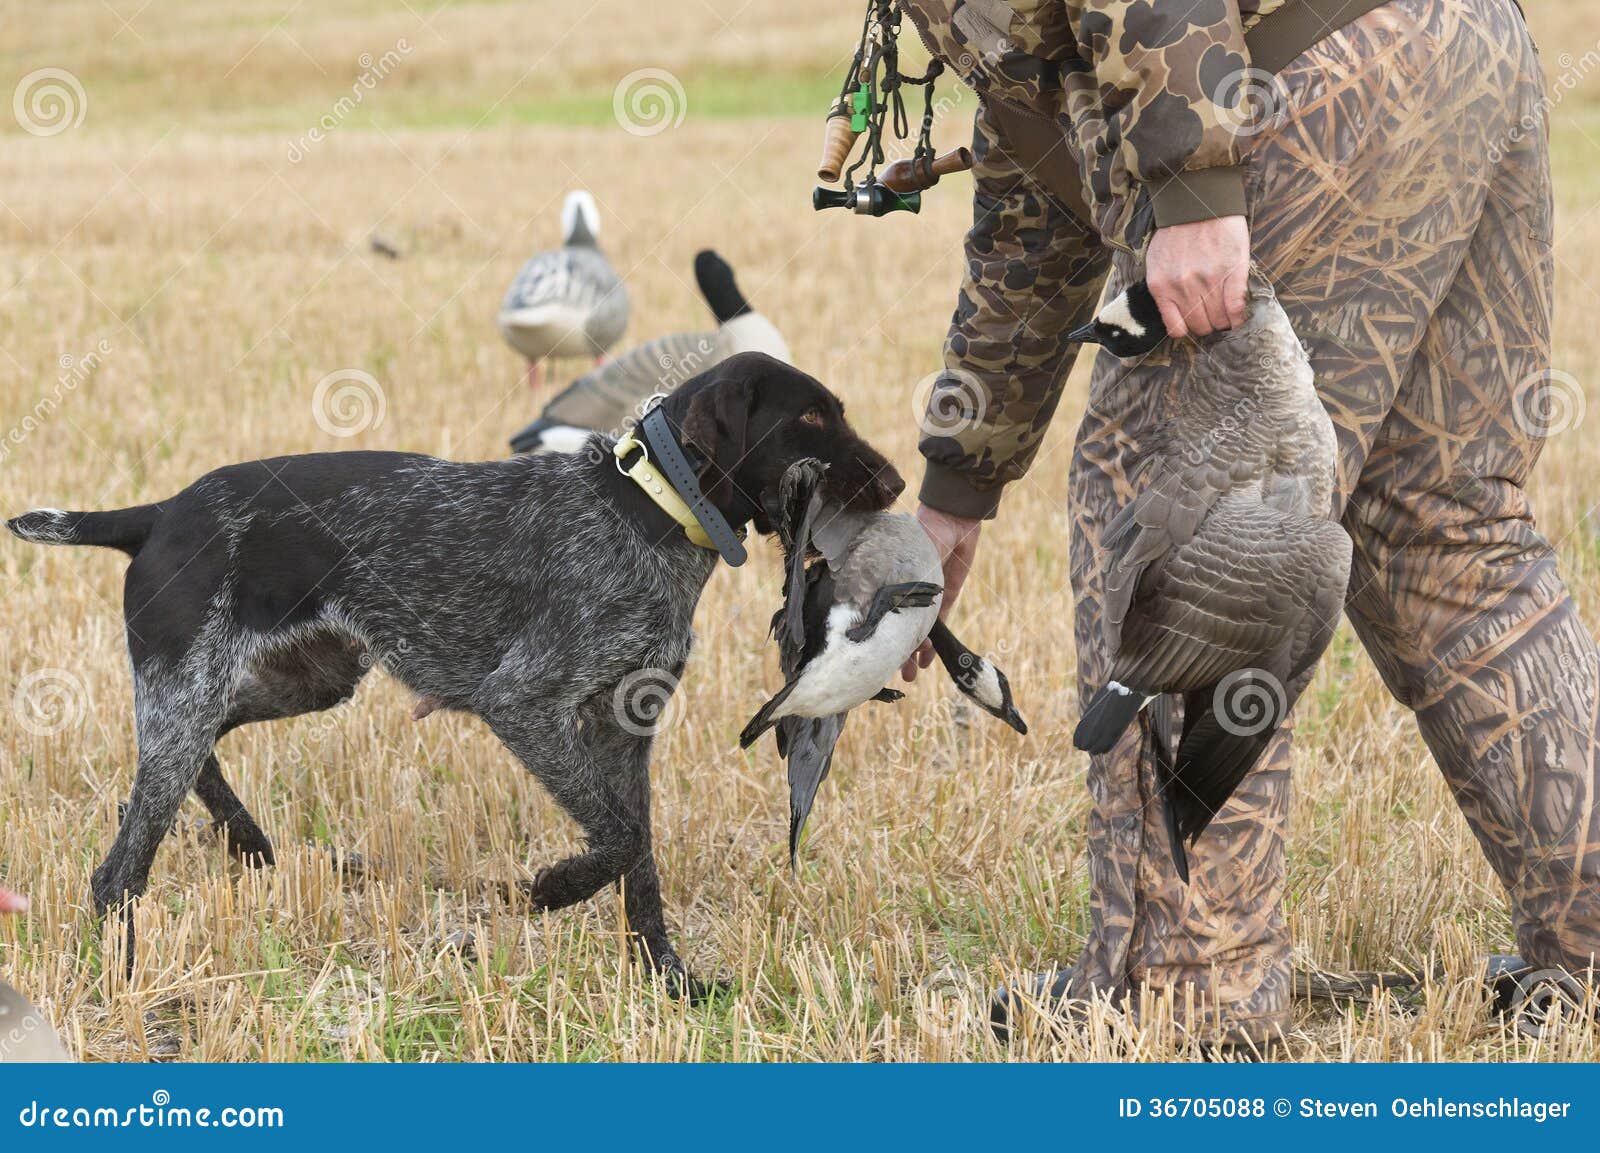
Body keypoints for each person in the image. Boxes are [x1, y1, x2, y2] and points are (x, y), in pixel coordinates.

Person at [895, 0, 1600, 1046]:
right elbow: (1039, 176)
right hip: (1453, 46)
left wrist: (1192, 183)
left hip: (1285, 81)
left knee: (1174, 513)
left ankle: (1184, 994)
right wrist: (958, 484)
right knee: (1443, 526)